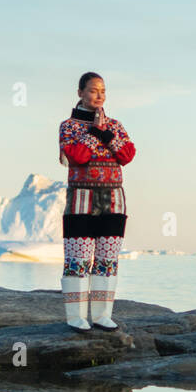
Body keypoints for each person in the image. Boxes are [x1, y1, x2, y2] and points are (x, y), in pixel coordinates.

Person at [58, 73, 137, 331]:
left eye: (103, 90)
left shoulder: (116, 125)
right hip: (81, 200)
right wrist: (94, 132)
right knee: (77, 260)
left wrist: (106, 134)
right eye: (93, 90)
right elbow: (77, 156)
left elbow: (127, 155)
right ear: (80, 92)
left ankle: (102, 315)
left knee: (107, 260)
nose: (99, 95)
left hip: (114, 200)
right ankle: (75, 317)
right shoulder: (68, 126)